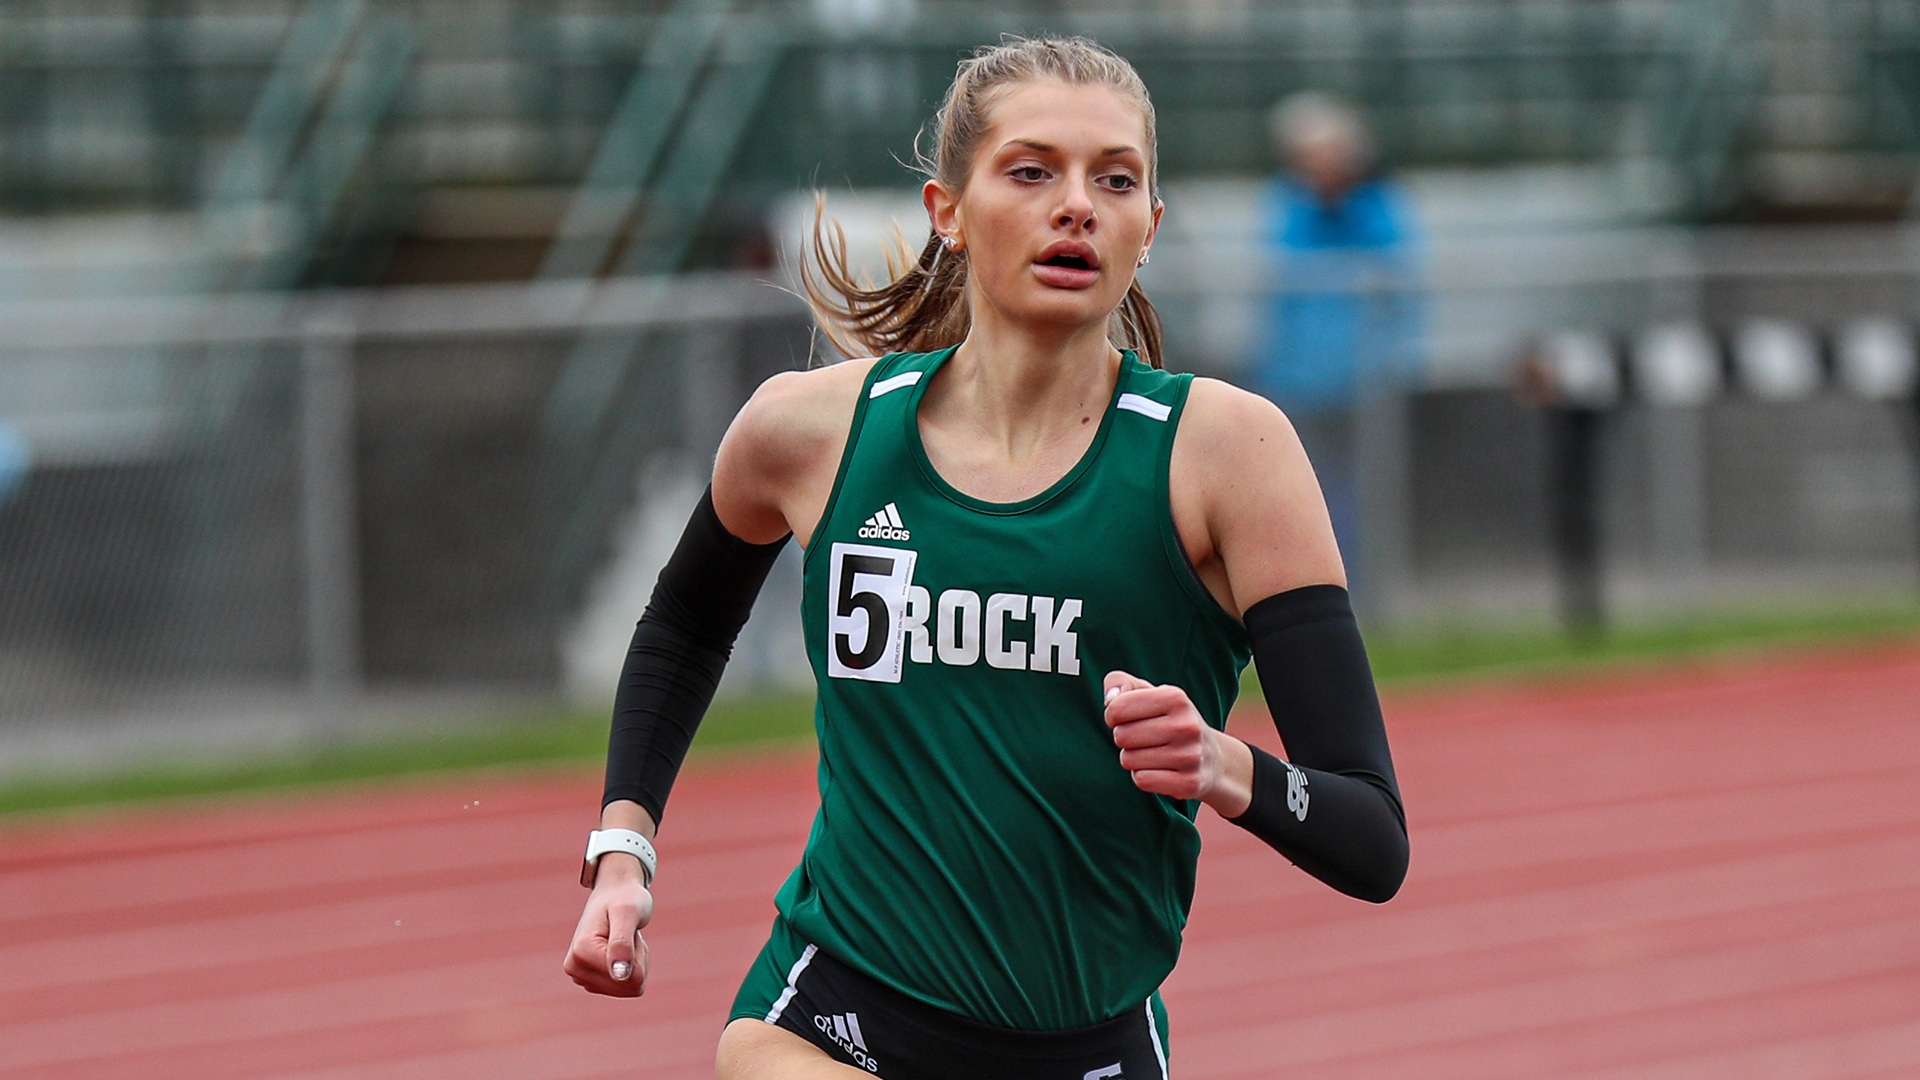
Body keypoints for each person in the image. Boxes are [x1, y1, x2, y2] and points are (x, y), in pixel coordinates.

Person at [564, 37, 1407, 1080]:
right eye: (1030, 170)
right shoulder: (811, 432)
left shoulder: (1230, 456)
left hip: (1087, 1046)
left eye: (1115, 179)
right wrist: (624, 849)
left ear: (1150, 226)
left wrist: (1224, 766)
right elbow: (686, 624)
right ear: (947, 211)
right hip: (833, 1014)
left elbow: (1373, 839)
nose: (1077, 205)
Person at [1254, 92, 1422, 591]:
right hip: (1299, 380)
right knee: (1305, 494)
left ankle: (1370, 591)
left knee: (1371, 493)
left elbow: (1399, 285)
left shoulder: (1376, 208)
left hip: (1364, 382)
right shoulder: (1290, 206)